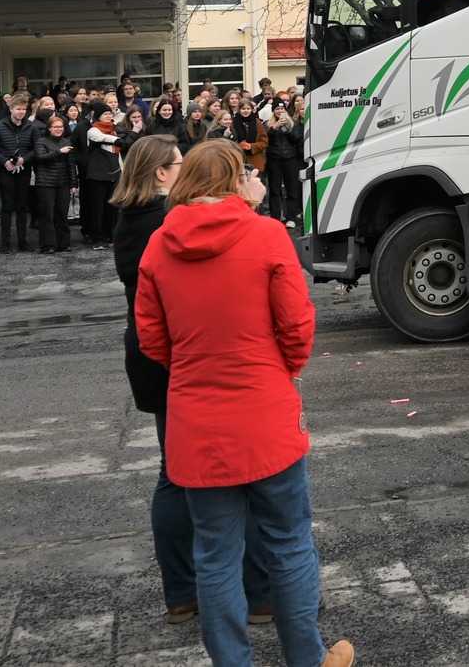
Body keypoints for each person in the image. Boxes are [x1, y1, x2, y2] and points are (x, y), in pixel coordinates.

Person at [134, 142, 349, 667]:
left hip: (195, 420)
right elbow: (296, 323)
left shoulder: (159, 245)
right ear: (234, 180)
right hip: (265, 410)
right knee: (290, 542)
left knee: (214, 556)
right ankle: (308, 658)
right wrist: (282, 370)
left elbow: (152, 338)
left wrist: (194, 367)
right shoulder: (267, 234)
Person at [110, 136, 276, 628]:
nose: (186, 169)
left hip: (151, 354)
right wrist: (248, 205)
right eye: (180, 163)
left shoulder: (132, 219)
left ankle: (182, 593)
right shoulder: (165, 222)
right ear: (160, 173)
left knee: (174, 475)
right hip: (184, 356)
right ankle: (260, 593)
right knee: (236, 476)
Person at [0, 95, 43, 256]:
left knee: (22, 206)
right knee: (7, 206)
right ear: (11, 109)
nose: (21, 112)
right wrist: (4, 161)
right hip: (5, 171)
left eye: (24, 109)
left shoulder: (31, 127)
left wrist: (24, 159)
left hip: (24, 169)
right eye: (18, 109)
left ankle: (22, 241)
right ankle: (5, 242)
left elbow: (37, 148)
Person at [29, 114, 79, 253]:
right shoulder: (41, 141)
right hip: (45, 183)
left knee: (62, 214)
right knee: (47, 215)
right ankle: (48, 245)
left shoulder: (67, 142)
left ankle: (64, 244)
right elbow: (41, 158)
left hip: (63, 182)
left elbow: (71, 165)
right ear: (49, 128)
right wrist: (59, 152)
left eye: (61, 127)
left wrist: (73, 183)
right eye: (56, 127)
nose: (59, 129)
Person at [80, 106, 125, 248]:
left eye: (109, 113)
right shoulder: (93, 129)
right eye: (105, 113)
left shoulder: (115, 129)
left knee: (112, 208)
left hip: (113, 172)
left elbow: (118, 153)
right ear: (98, 116)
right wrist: (116, 139)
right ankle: (97, 238)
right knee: (97, 208)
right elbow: (98, 137)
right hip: (98, 174)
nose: (108, 116)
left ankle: (110, 235)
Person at [265, 95, 308, 225]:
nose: (279, 111)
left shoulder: (293, 122)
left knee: (291, 189)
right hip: (274, 160)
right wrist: (275, 128)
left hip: (290, 159)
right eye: (277, 109)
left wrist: (287, 129)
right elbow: (266, 140)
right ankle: (276, 217)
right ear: (273, 110)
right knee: (275, 190)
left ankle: (291, 218)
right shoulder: (267, 124)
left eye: (281, 109)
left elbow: (296, 139)